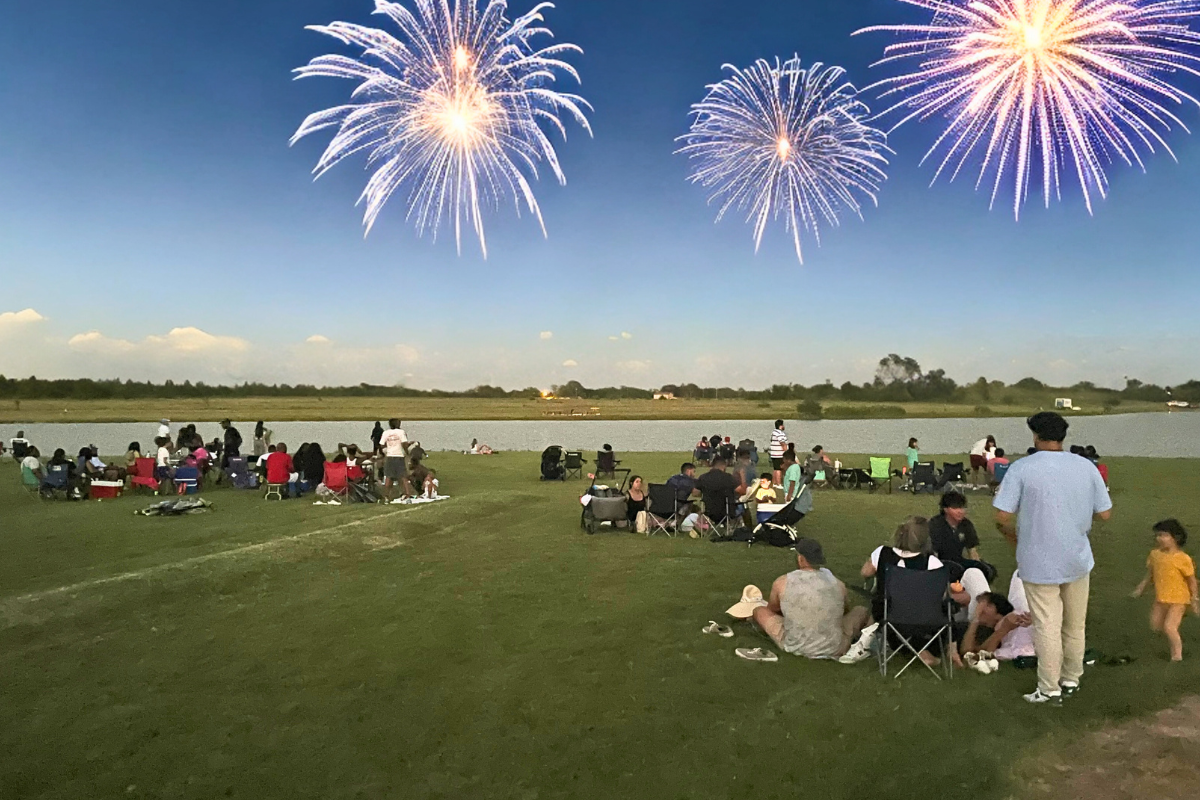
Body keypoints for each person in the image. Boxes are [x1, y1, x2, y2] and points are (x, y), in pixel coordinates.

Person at [994, 411, 1113, 704]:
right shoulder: (1085, 467)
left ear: (1035, 435)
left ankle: (1049, 688)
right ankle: (1071, 679)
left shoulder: (1022, 468)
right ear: (1063, 436)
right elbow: (1105, 513)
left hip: (1038, 561)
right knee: (1074, 624)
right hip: (1077, 557)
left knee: (1046, 625)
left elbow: (1002, 516)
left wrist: (1014, 536)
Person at [849, 517, 947, 667]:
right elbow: (940, 594)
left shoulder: (882, 553)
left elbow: (865, 572)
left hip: (886, 616)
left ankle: (867, 640)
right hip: (922, 619)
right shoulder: (932, 563)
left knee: (879, 599)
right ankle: (924, 652)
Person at [752, 539, 873, 660]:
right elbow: (844, 611)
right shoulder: (838, 584)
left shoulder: (782, 582)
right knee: (861, 611)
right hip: (836, 647)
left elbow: (773, 609)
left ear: (800, 558)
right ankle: (863, 643)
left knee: (759, 611)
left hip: (795, 645)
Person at [1132, 519, 1199, 662]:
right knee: (1155, 625)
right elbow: (1150, 574)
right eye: (1158, 535)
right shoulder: (1155, 555)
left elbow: (1191, 580)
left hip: (1179, 600)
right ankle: (1174, 641)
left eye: (1164, 535)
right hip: (1161, 599)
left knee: (1169, 627)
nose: (1159, 539)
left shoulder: (1183, 559)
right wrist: (1141, 588)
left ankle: (1177, 656)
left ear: (1176, 537)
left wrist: (1194, 599)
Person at [960, 591, 1035, 666]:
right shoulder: (990, 631)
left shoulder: (1016, 617)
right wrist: (975, 619)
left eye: (988, 605)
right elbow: (970, 654)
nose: (980, 609)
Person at [694, 458, 739, 529]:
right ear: (724, 466)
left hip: (709, 512)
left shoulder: (703, 477)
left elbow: (695, 493)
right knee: (741, 507)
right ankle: (735, 527)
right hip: (727, 512)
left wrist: (705, 493)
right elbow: (741, 491)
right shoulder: (728, 477)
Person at [379, 419, 413, 502]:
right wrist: (407, 452)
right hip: (399, 456)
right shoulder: (401, 432)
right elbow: (404, 443)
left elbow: (381, 444)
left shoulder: (386, 433)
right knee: (403, 476)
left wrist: (386, 451)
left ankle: (386, 496)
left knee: (388, 477)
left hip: (389, 456)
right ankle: (407, 494)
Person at [769, 420, 788, 488]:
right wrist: (787, 452)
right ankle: (779, 483)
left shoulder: (774, 432)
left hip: (773, 453)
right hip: (779, 454)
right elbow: (783, 443)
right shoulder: (780, 433)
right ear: (781, 426)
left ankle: (774, 482)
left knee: (775, 468)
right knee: (779, 469)